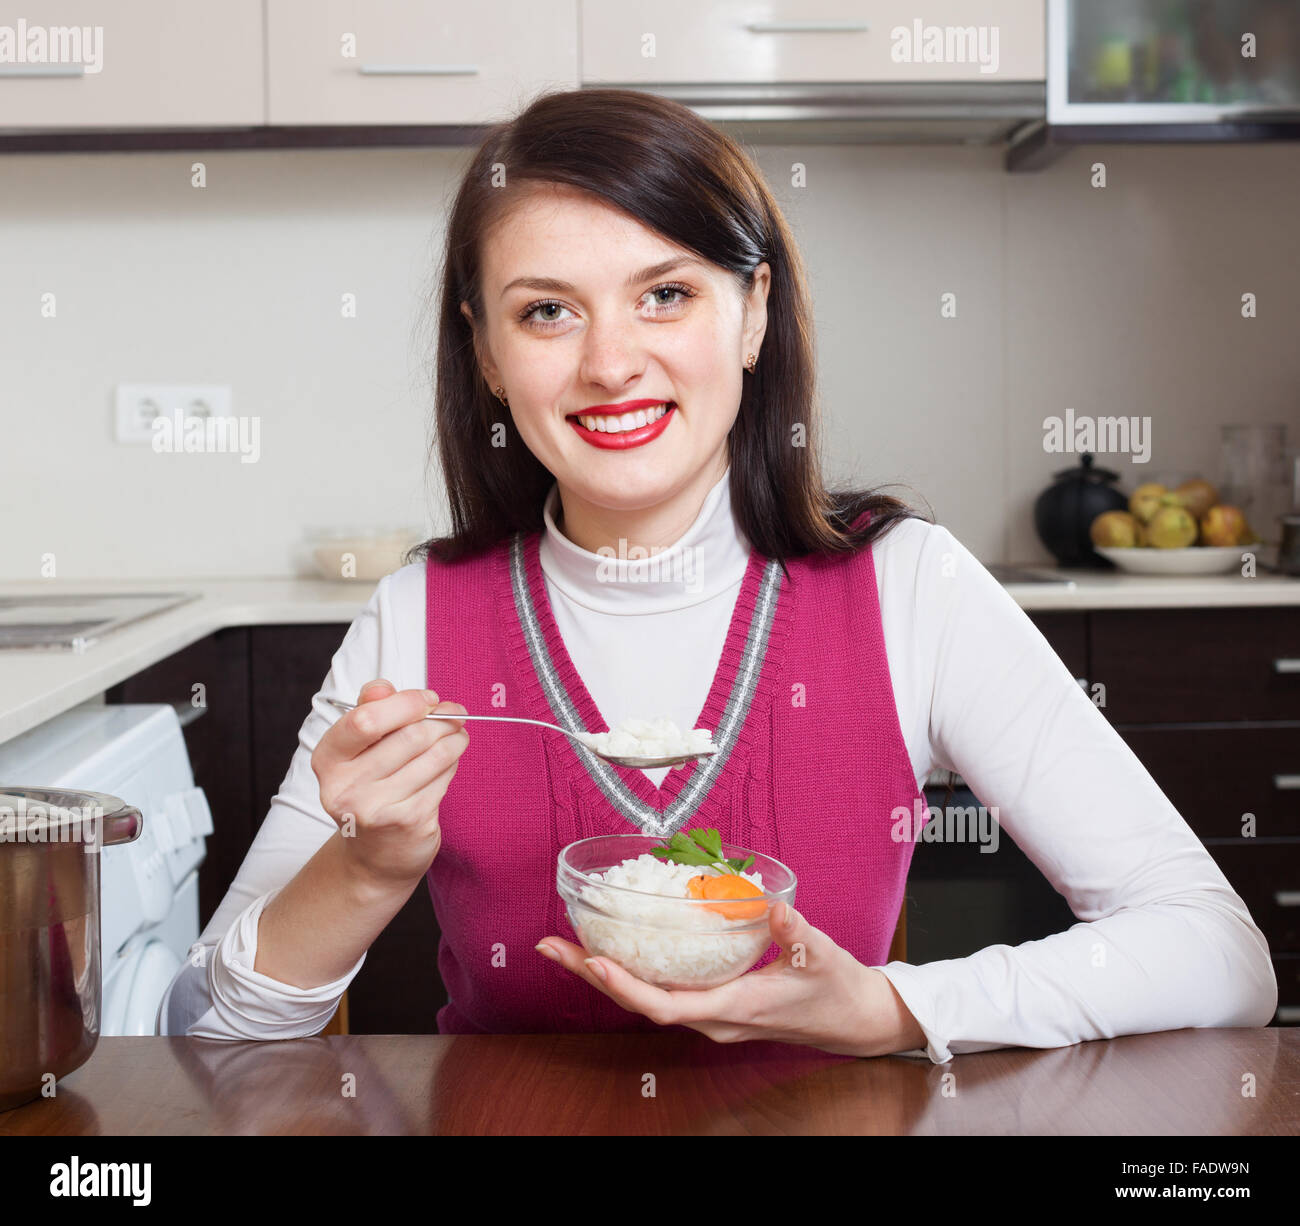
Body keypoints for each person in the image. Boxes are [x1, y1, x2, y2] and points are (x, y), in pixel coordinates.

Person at [161, 88, 1276, 1061]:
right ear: (488, 355)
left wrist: (887, 1006)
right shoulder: (418, 618)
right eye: (546, 311)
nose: (608, 361)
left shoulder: (907, 586)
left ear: (752, 313)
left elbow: (1219, 956)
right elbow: (206, 1038)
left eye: (666, 293)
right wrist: (362, 871)